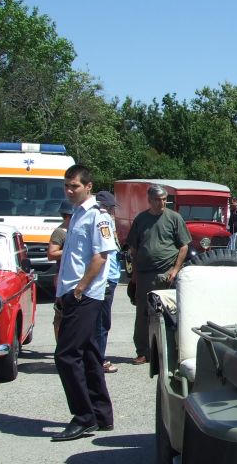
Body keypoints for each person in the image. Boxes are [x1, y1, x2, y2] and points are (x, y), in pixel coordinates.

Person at [51, 165, 117, 442]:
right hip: (72, 293)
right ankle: (101, 414)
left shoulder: (97, 216)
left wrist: (79, 288)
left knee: (66, 356)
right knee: (90, 354)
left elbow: (101, 256)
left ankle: (83, 417)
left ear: (88, 186)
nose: (69, 190)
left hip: (85, 295)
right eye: (66, 185)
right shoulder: (76, 215)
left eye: (74, 186)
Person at [126, 185, 190, 366]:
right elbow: (134, 248)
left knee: (170, 313)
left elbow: (184, 246)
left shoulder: (174, 218)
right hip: (145, 274)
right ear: (150, 200)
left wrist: (175, 270)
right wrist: (135, 275)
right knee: (143, 314)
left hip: (167, 273)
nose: (162, 203)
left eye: (164, 199)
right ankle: (143, 352)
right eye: (158, 199)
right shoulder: (141, 219)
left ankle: (172, 351)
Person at [95, 191, 120, 374]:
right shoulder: (103, 220)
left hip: (109, 278)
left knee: (102, 323)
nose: (112, 212)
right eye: (110, 208)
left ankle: (97, 358)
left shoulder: (105, 221)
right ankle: (98, 360)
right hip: (105, 280)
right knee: (101, 323)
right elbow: (105, 254)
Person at [48, 200, 74, 340]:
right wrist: (70, 250)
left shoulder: (75, 230)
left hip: (75, 277)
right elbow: (51, 254)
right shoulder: (60, 232)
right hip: (62, 277)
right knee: (60, 314)